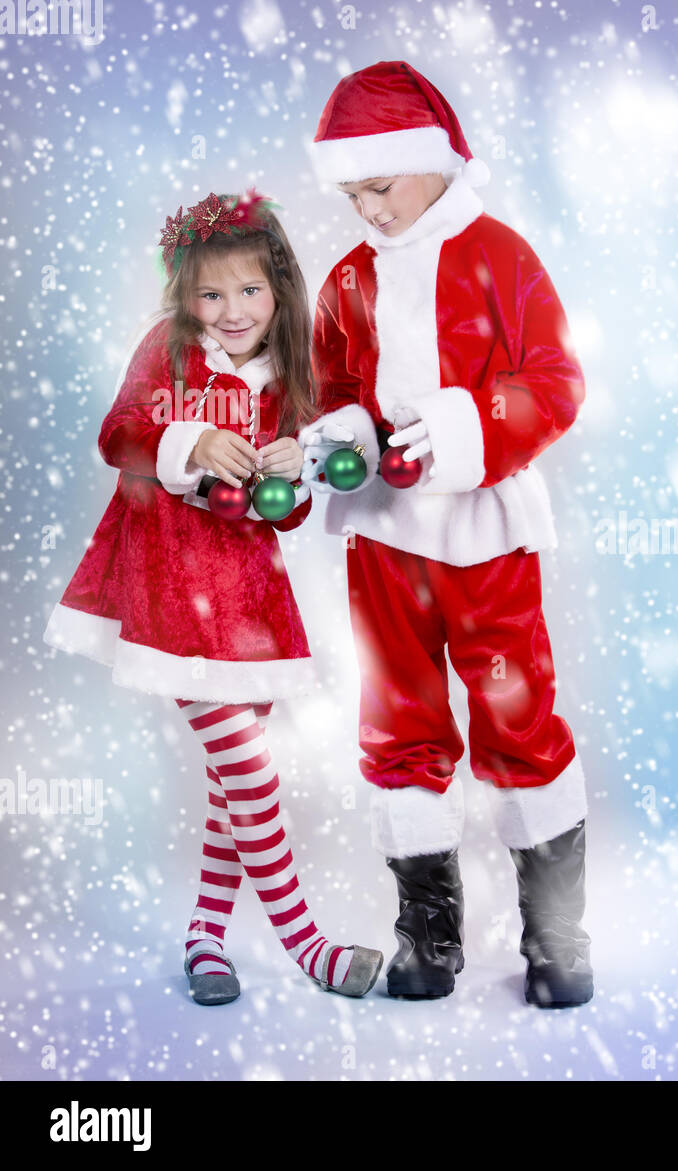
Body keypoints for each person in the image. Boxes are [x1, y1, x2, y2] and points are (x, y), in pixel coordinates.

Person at [42, 189, 383, 1005]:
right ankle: (306, 942)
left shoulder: (288, 372)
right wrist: (186, 439)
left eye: (250, 292)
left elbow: (291, 511)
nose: (231, 312)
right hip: (166, 581)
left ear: (280, 289)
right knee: (252, 769)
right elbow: (117, 433)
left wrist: (290, 469)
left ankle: (205, 939)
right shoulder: (170, 350)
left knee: (235, 786)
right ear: (186, 297)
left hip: (247, 599)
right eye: (212, 294)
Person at [301, 60, 593, 1007]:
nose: (369, 210)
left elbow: (555, 382)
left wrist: (469, 427)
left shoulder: (500, 255)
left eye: (380, 185)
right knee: (400, 728)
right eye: (353, 194)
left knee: (518, 721)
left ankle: (555, 934)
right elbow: (336, 386)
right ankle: (427, 931)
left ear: (428, 163)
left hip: (486, 539)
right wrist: (344, 427)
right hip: (383, 543)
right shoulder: (347, 281)